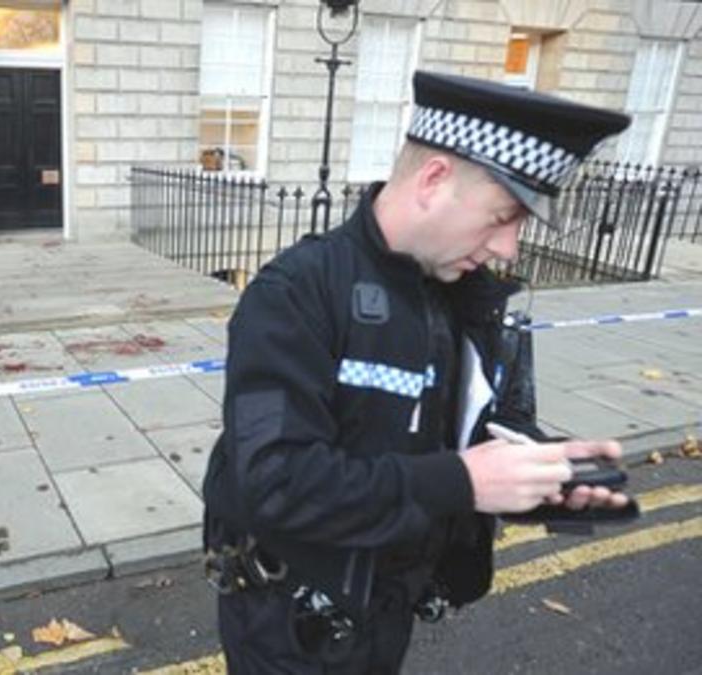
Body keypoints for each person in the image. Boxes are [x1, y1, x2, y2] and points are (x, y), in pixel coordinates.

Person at [201, 70, 635, 674]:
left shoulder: (467, 299)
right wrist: (463, 480)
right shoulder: (296, 293)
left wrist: (549, 483)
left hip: (386, 612)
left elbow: (471, 447)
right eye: (502, 215)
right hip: (288, 630)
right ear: (433, 181)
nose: (509, 247)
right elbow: (277, 480)